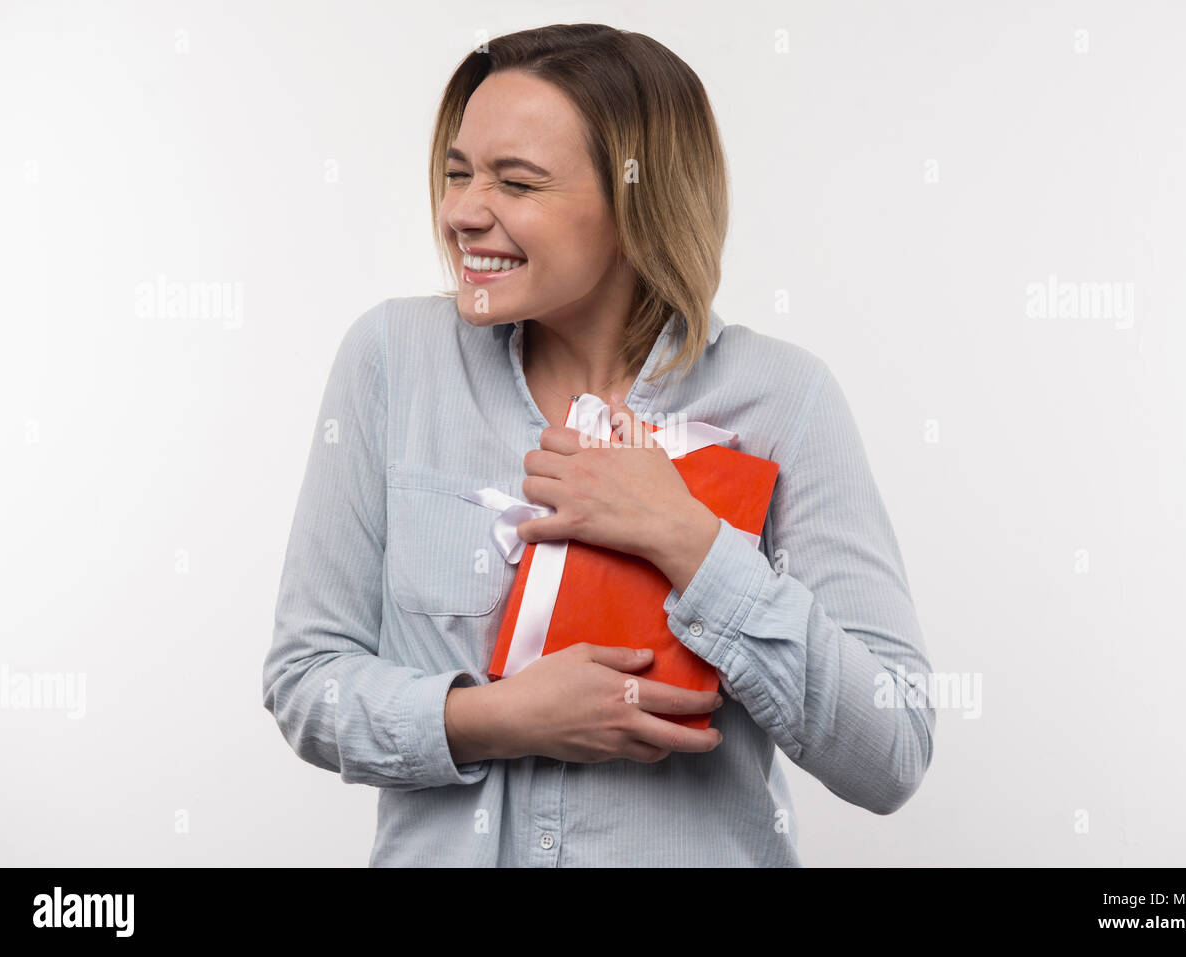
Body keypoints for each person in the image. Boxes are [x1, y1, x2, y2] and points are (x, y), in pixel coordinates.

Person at [262, 23, 934, 867]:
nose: (464, 212)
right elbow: (305, 678)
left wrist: (686, 538)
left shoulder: (786, 398)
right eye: (458, 172)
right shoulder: (393, 360)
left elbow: (894, 748)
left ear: (636, 204)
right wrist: (499, 716)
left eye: (518, 182)